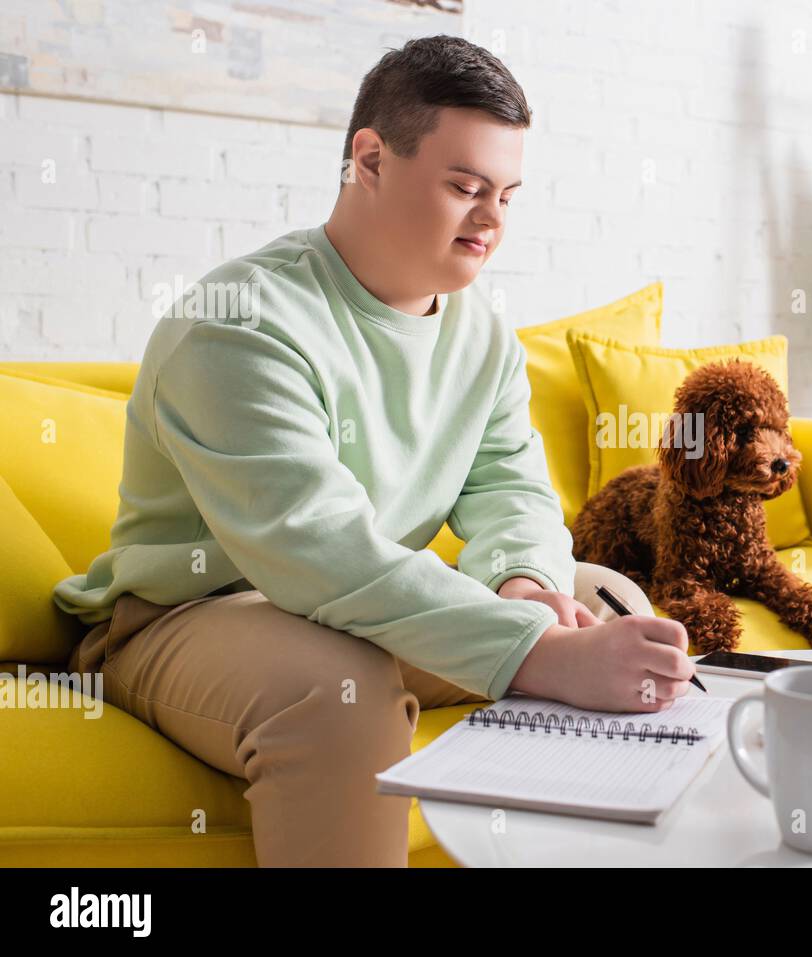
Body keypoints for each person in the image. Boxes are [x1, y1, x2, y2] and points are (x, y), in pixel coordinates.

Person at [53, 35, 694, 867]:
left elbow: (512, 489)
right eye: (465, 186)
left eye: (507, 193)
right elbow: (319, 551)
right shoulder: (238, 320)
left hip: (360, 609)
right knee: (334, 690)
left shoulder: (482, 337)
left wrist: (528, 586)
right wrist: (537, 654)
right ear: (371, 159)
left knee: (608, 602)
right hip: (191, 616)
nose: (493, 219)